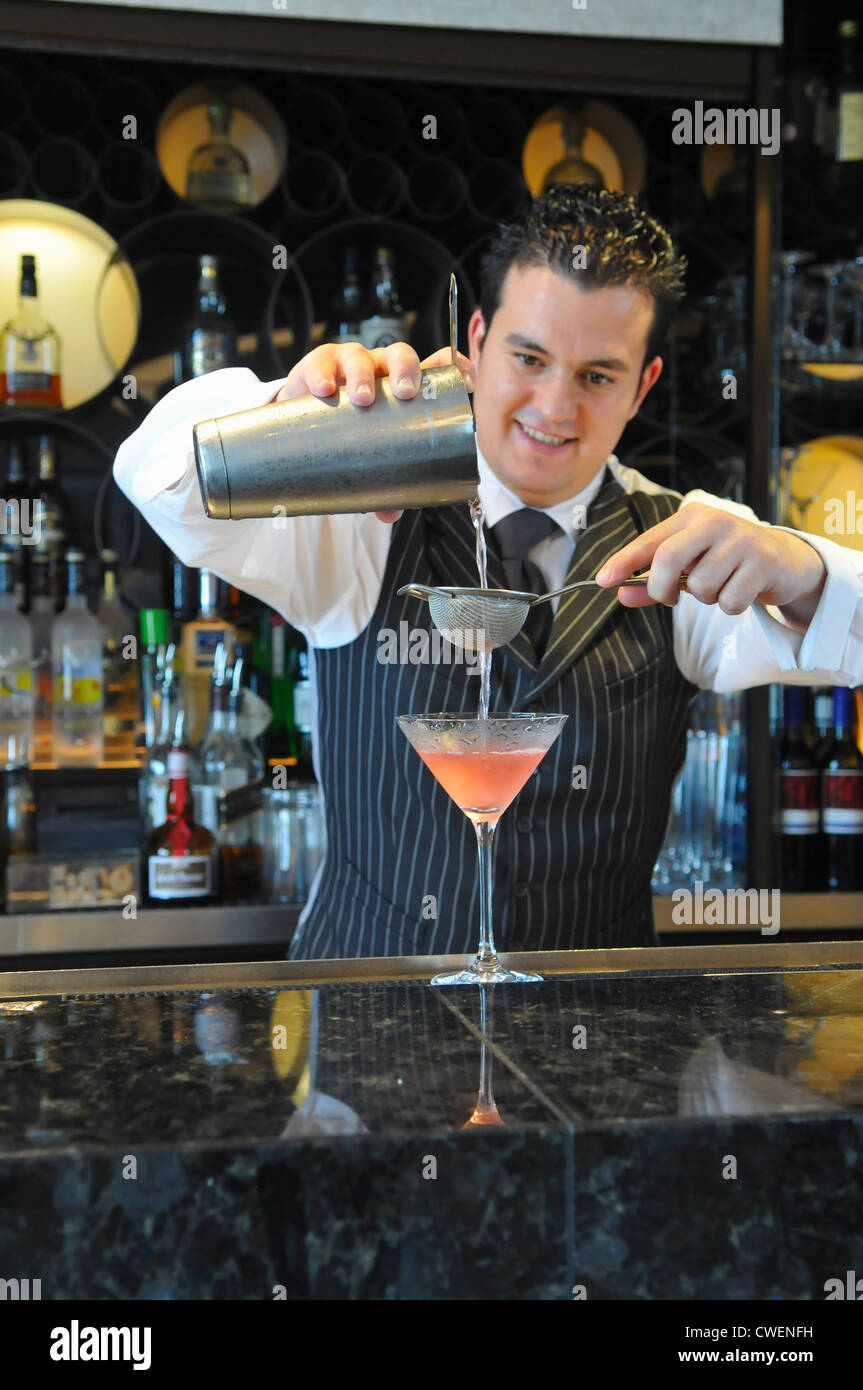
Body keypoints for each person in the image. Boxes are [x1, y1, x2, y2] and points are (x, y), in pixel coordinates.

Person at [113, 185, 863, 957]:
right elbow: (156, 481)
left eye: (597, 376)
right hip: (368, 1034)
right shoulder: (361, 511)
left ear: (642, 387)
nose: (554, 407)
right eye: (528, 357)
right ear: (476, 338)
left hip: (601, 1048)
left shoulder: (682, 540)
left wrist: (802, 569)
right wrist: (286, 417)